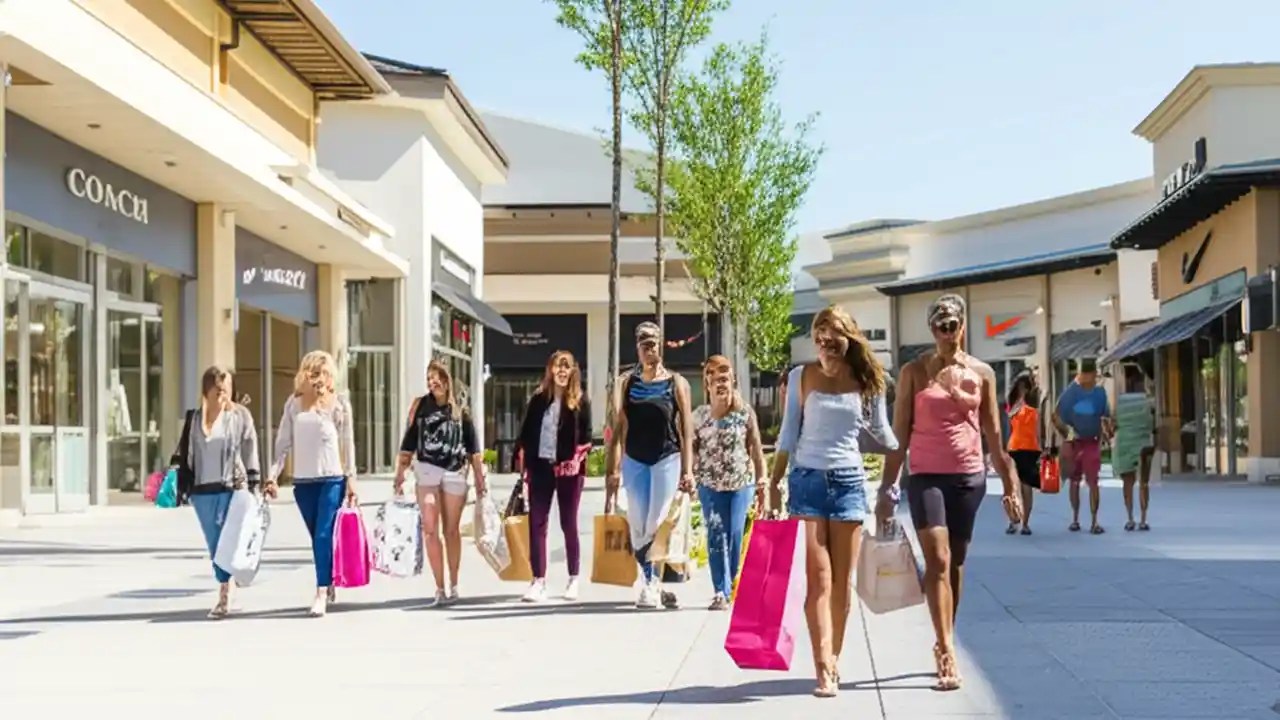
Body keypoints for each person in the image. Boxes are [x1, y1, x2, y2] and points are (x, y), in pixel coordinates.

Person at [878, 294, 1020, 691]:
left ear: (962, 327)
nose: (947, 330)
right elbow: (899, 432)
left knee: (954, 564)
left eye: (953, 324)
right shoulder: (914, 372)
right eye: (940, 325)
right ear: (931, 329)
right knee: (937, 558)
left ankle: (946, 635)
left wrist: (1010, 485)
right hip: (926, 476)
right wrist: (887, 488)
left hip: (969, 478)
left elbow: (994, 434)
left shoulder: (983, 373)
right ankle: (945, 649)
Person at [770, 305, 897, 698]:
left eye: (833, 335)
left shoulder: (867, 382)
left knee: (844, 583)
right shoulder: (799, 377)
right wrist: (773, 482)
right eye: (819, 335)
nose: (825, 341)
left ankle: (834, 657)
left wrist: (900, 465)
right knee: (819, 580)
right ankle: (822, 664)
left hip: (848, 483)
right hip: (806, 481)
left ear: (849, 338)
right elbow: (789, 433)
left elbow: (883, 434)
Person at [605, 321, 696, 610]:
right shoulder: (626, 383)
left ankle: (653, 583)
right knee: (638, 524)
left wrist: (688, 470)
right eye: (644, 342)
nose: (649, 347)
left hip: (666, 458)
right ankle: (648, 581)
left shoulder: (676, 382)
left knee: (657, 522)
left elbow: (687, 430)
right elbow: (617, 429)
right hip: (634, 459)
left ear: (661, 345)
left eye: (654, 342)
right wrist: (613, 469)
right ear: (637, 347)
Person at [266, 350, 357, 617]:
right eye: (315, 373)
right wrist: (273, 475)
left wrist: (350, 480)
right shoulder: (294, 405)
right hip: (303, 483)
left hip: (332, 479)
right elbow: (282, 444)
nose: (321, 379)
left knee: (322, 535)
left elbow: (347, 445)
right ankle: (327, 579)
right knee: (318, 537)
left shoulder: (339, 405)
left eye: (325, 373)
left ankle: (320, 591)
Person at [170, 365, 262, 619]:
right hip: (201, 491)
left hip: (231, 487)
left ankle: (224, 592)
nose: (223, 394)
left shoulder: (240, 416)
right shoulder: (194, 418)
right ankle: (227, 581)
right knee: (215, 544)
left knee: (227, 542)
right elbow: (185, 452)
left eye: (227, 388)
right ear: (207, 390)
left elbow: (250, 449)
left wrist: (254, 483)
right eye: (219, 389)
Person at [395, 360, 488, 607]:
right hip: (426, 470)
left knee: (451, 530)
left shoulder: (460, 410)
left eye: (436, 378)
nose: (432, 383)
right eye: (429, 379)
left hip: (454, 471)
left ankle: (454, 583)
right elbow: (409, 441)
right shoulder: (420, 406)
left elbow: (474, 448)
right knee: (429, 528)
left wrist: (479, 479)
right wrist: (400, 473)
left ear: (447, 382)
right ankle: (439, 587)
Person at [515, 350, 593, 603]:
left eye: (566, 366)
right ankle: (538, 580)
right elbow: (525, 433)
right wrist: (522, 464)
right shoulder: (538, 399)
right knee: (537, 523)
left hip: (569, 471)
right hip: (541, 468)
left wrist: (576, 459)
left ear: (572, 371)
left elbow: (587, 438)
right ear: (550, 370)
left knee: (568, 523)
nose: (561, 371)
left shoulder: (581, 400)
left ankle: (573, 577)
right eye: (557, 366)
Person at [693, 355, 766, 610]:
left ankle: (734, 582)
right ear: (708, 384)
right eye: (715, 379)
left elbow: (756, 450)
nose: (720, 383)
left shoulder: (744, 413)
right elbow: (692, 449)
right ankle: (719, 592)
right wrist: (689, 476)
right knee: (715, 534)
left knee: (735, 535)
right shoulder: (699, 416)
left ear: (733, 381)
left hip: (739, 485)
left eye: (725, 378)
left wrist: (762, 483)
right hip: (709, 486)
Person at [1053, 359, 1112, 534]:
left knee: (1093, 482)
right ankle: (1075, 518)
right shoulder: (1071, 393)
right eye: (1087, 374)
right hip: (1074, 444)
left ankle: (1094, 521)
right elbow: (1055, 416)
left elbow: (1105, 417)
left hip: (1092, 442)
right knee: (1074, 481)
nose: (1090, 378)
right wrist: (1067, 434)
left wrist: (1105, 435)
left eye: (1092, 374)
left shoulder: (1100, 394)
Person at [1114, 366, 1156, 531]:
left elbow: (1115, 422)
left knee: (1128, 483)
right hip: (1143, 445)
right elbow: (1150, 423)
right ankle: (1143, 519)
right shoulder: (1146, 400)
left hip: (1124, 445)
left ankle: (1130, 518)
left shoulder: (1120, 401)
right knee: (1143, 483)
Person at [1005, 372, 1042, 535]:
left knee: (1023, 487)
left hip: (1024, 448)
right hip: (1020, 448)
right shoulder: (1018, 406)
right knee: (1016, 487)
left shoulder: (1032, 407)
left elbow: (1039, 429)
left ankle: (1022, 522)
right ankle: (1017, 521)